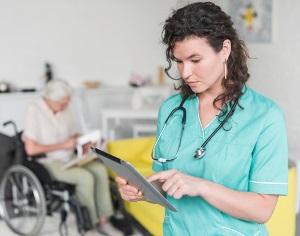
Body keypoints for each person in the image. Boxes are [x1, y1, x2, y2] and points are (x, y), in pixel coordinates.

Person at [115, 2, 288, 236]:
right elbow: (167, 185)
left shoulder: (266, 116)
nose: (185, 73)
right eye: (179, 61)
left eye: (195, 60)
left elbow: (263, 210)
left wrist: (203, 187)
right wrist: (141, 189)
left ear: (224, 50)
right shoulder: (171, 109)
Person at [23, 79, 123, 236]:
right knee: (84, 177)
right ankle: (88, 226)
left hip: (69, 157)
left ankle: (104, 222)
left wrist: (89, 140)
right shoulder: (34, 109)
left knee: (100, 170)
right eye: (63, 103)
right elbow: (31, 149)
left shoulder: (64, 109)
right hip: (48, 161)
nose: (66, 107)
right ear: (49, 100)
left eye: (68, 103)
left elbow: (73, 136)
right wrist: (63, 145)